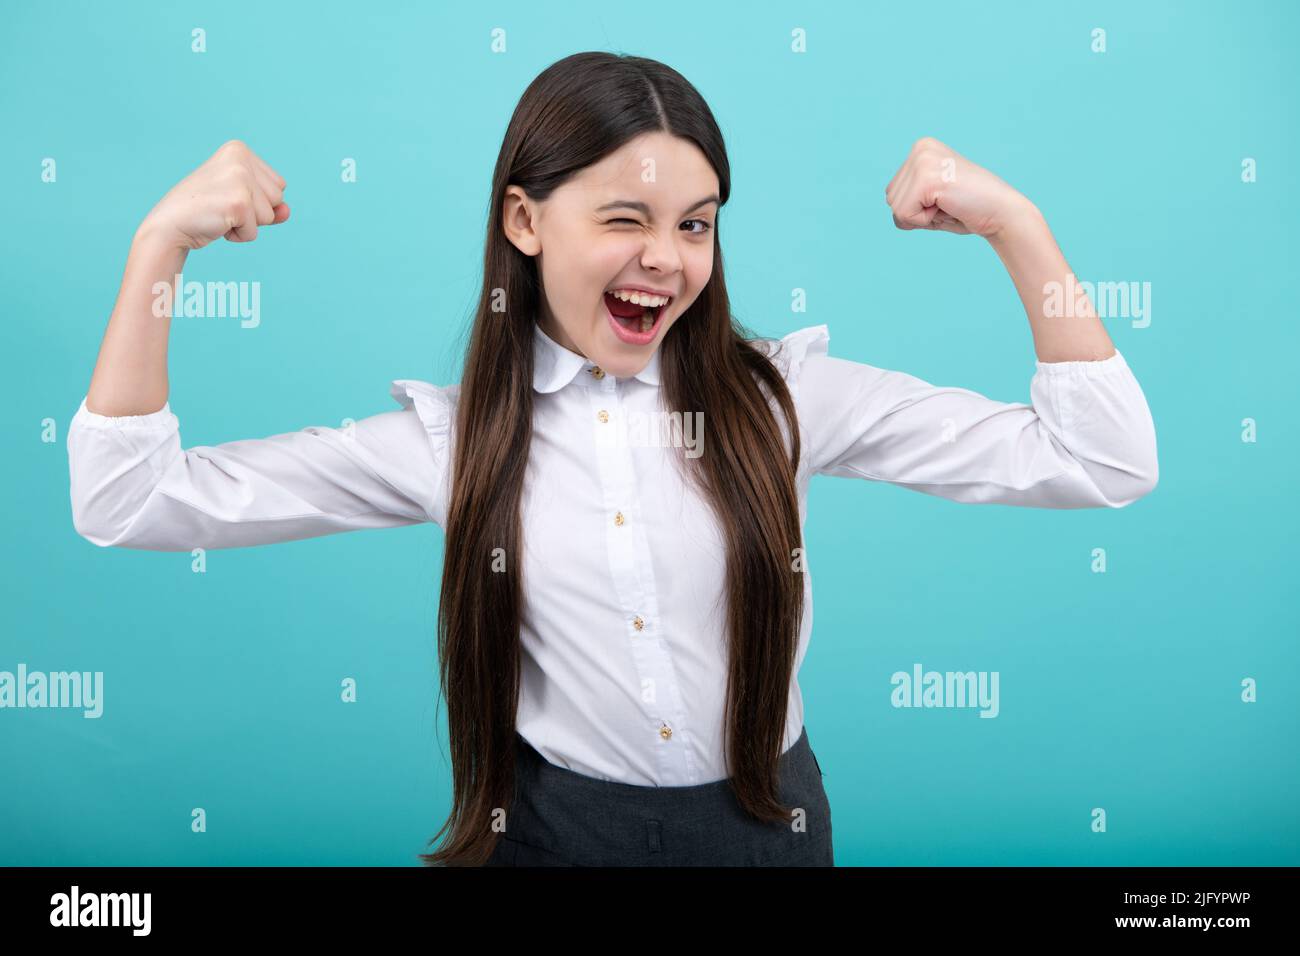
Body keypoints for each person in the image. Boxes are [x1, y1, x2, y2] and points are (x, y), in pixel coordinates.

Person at [67, 52, 1158, 867]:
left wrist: (1014, 225)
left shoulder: (785, 397)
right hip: (554, 835)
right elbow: (129, 500)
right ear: (525, 220)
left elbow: (1101, 458)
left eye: (695, 224)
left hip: (767, 831)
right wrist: (158, 246)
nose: (665, 259)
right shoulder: (452, 442)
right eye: (626, 218)